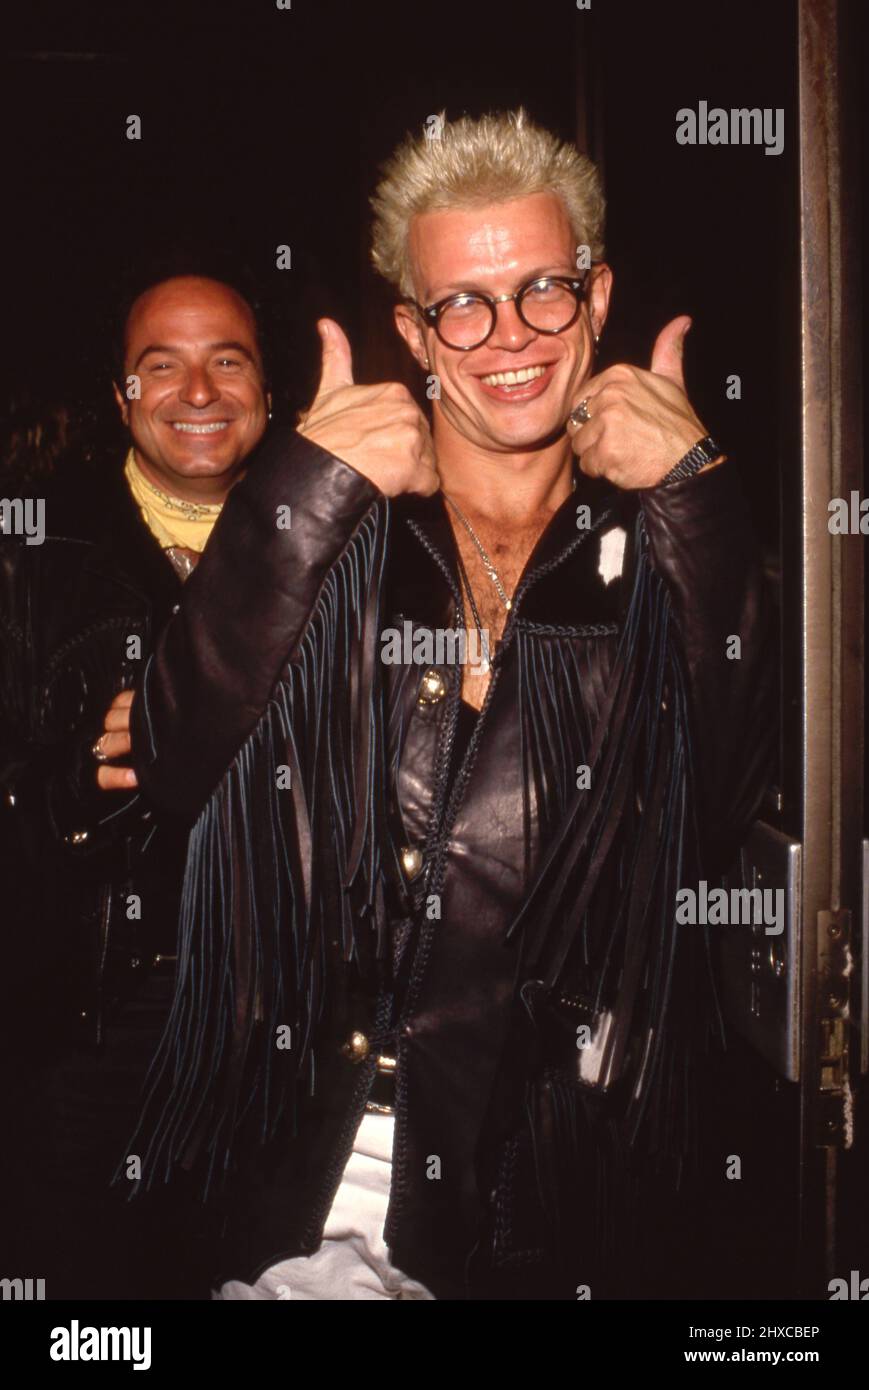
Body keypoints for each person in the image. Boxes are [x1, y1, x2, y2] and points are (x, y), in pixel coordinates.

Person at [109, 110, 775, 1300]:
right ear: (414, 328)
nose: (506, 336)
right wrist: (304, 491)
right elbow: (173, 762)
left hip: (528, 1200)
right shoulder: (334, 524)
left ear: (598, 295)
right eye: (462, 303)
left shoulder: (660, 542)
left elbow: (724, 801)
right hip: (285, 1181)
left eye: (542, 291)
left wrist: (698, 500)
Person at [0, 266, 271, 1298]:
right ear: (123, 398)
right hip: (92, 1020)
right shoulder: (31, 551)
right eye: (163, 367)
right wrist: (71, 781)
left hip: (276, 1027)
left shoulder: (336, 543)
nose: (197, 392)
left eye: (226, 361)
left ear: (267, 391)